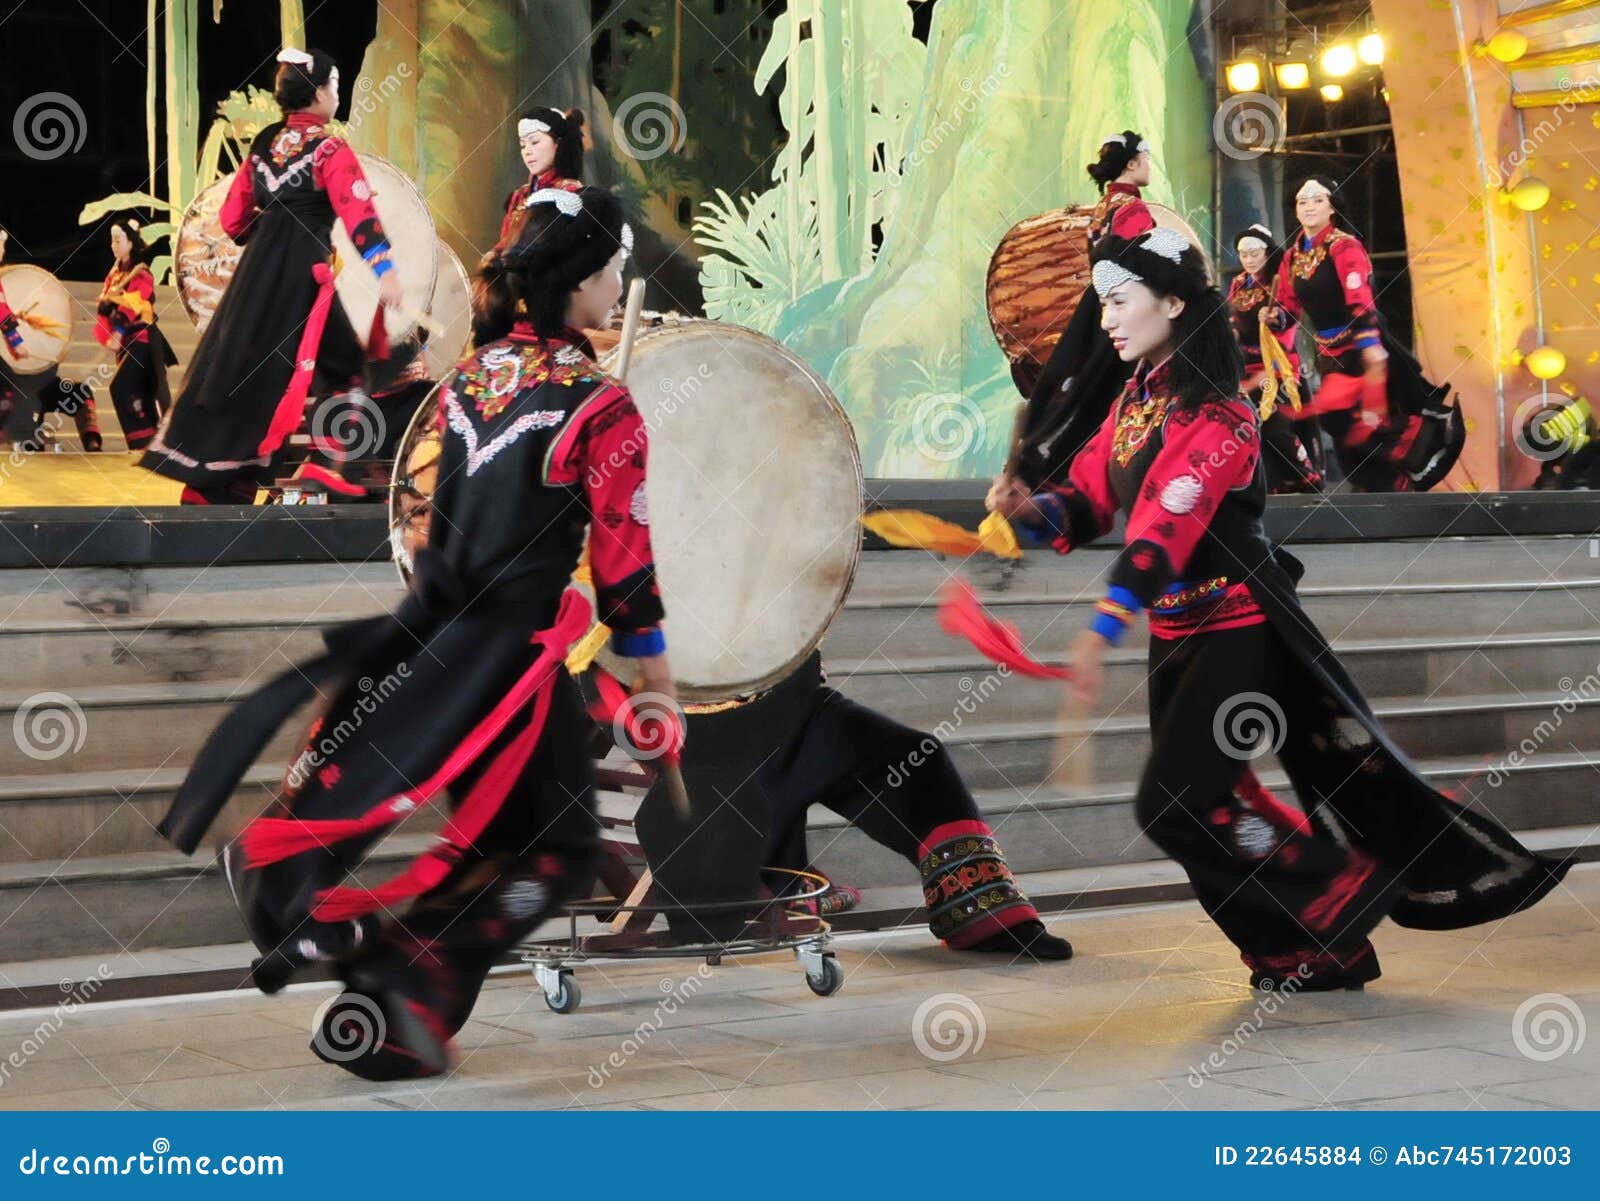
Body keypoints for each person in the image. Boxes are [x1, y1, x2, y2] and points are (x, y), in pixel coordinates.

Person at [158, 185, 662, 1078]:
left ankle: (390, 1005)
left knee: (518, 840)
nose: (621, 281)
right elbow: (625, 563)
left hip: (442, 638)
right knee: (560, 851)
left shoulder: (463, 382)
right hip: (512, 654)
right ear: (577, 278)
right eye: (614, 266)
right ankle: (380, 966)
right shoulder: (600, 403)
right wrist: (654, 684)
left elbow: (429, 522)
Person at [987, 227, 1568, 990]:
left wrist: (1102, 626)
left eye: (1119, 302)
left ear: (1171, 301)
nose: (1109, 322)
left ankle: (1337, 883)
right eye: (1101, 305)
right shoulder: (1136, 400)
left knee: (1176, 804)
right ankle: (1313, 949)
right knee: (1196, 810)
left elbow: (1167, 518)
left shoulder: (1222, 417)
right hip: (1179, 632)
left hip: (1242, 624)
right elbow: (1093, 491)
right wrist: (1028, 510)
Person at [641, 651, 1073, 961]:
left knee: (919, 759)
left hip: (796, 695)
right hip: (701, 715)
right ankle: (763, 890)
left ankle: (985, 915)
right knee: (750, 807)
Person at [140, 48, 405, 503]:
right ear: (320, 93)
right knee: (347, 370)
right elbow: (358, 213)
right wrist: (385, 270)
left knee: (250, 370)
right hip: (306, 272)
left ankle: (220, 482)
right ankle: (326, 465)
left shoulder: (264, 144)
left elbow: (233, 218)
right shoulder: (330, 147)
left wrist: (272, 230)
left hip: (257, 274)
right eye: (336, 85)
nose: (336, 95)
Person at [1273, 176, 1464, 492]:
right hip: (1328, 353)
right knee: (1345, 434)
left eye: (1317, 199)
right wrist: (1275, 316)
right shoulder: (1292, 257)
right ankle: (1388, 487)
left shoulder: (1345, 246)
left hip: (1360, 344)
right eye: (1302, 201)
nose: (1308, 206)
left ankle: (1426, 436)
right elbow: (1288, 308)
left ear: (1332, 206)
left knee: (1343, 419)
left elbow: (1359, 297)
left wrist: (1369, 345)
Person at [1007, 130, 1158, 490]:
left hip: (1099, 302)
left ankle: (1052, 466)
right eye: (1147, 159)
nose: (1150, 166)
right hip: (1125, 303)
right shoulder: (1132, 209)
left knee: (1091, 389)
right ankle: (1076, 473)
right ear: (1133, 163)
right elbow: (1137, 262)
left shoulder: (1106, 206)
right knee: (1109, 393)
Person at [1226, 223, 1320, 492]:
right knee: (1249, 430)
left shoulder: (1281, 281)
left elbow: (1290, 317)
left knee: (1276, 430)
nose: (1249, 259)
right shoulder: (1237, 283)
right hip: (1245, 370)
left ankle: (1307, 478)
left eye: (1254, 253)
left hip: (1277, 368)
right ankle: (1273, 487)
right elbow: (1234, 321)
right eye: (1244, 254)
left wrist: (1275, 318)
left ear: (1267, 252)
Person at [96, 217, 175, 451]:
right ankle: (150, 443)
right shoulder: (114, 277)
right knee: (140, 393)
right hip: (127, 344)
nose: (114, 245)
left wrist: (118, 332)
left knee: (120, 387)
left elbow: (133, 304)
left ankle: (143, 442)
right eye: (112, 241)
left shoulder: (141, 272)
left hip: (143, 339)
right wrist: (105, 305)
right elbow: (107, 306)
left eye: (119, 240)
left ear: (131, 243)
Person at [495, 106, 585, 249]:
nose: (527, 151)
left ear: (557, 143)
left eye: (535, 142)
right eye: (523, 145)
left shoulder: (569, 192)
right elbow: (505, 243)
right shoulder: (519, 195)